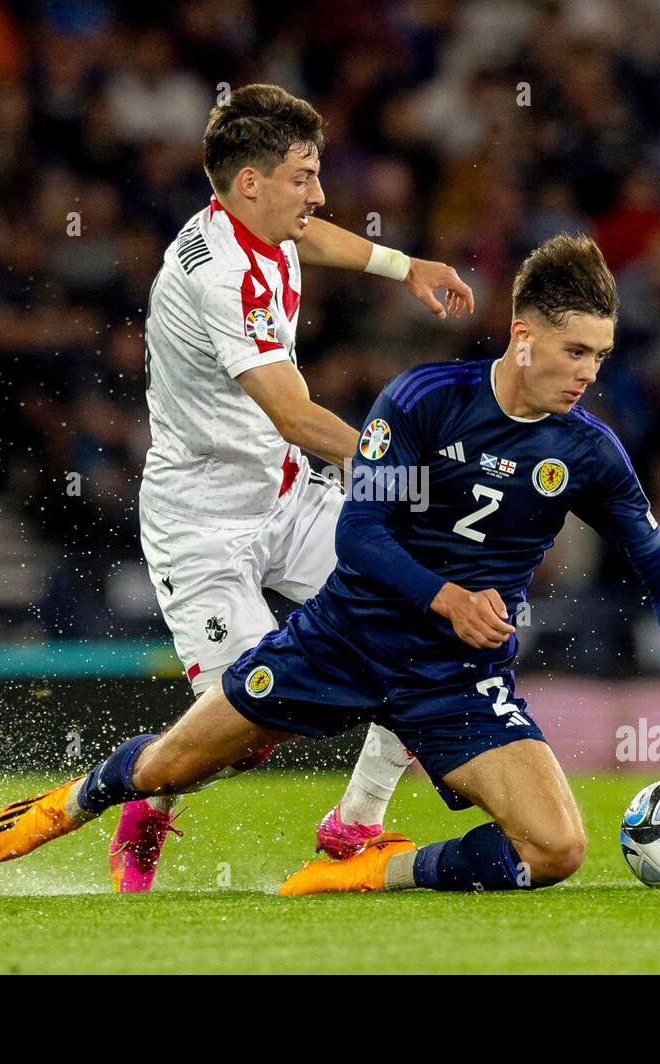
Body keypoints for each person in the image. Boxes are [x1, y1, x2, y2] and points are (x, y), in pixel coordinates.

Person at [0, 233, 660, 895]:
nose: (587, 373)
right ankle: (72, 802)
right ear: (522, 337)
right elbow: (360, 537)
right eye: (575, 350)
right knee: (171, 768)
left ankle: (370, 869)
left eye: (601, 355)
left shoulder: (588, 451)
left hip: (455, 678)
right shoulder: (423, 400)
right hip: (344, 638)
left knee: (556, 850)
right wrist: (447, 596)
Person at [111, 84, 475, 892]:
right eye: (305, 177)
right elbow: (294, 414)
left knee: (432, 627)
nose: (319, 194)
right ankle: (147, 799)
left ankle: (355, 826)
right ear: (251, 183)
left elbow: (308, 241)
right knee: (246, 729)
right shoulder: (217, 277)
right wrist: (407, 474)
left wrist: (404, 264)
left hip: (288, 499)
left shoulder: (265, 230)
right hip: (203, 526)